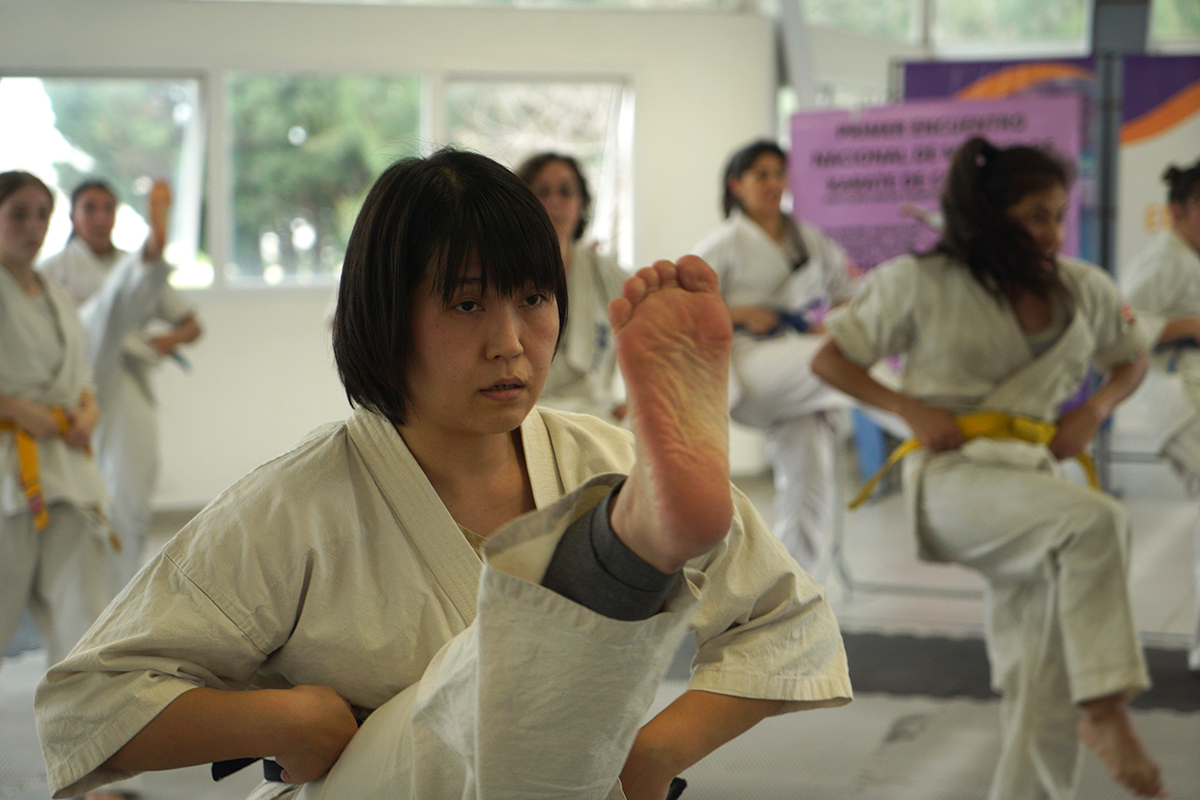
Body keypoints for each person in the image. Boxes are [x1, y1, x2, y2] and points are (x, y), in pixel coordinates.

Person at [36, 149, 852, 800]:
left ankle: (629, 549)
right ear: (386, 317)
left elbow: (792, 624)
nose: (512, 341)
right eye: (467, 305)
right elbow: (86, 706)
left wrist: (650, 753)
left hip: (570, 789)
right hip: (378, 789)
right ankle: (622, 553)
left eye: (534, 298)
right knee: (461, 716)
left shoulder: (600, 458)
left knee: (540, 745)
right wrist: (288, 719)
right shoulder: (297, 503)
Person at [811, 136, 1166, 799]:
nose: (1053, 231)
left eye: (1059, 214)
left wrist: (1095, 412)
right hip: (955, 480)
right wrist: (906, 407)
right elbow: (831, 359)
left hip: (1036, 478)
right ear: (989, 214)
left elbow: (1133, 356)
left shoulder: (1084, 288)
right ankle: (1108, 708)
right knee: (1094, 524)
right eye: (1036, 214)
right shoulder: (919, 283)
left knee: (1043, 664)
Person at [0, 171, 169, 671]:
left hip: (68, 474)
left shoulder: (53, 296)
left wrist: (88, 409)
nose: (33, 226)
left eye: (41, 215)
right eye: (18, 214)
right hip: (10, 473)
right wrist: (14, 409)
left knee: (83, 620)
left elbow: (82, 376)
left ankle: (82, 728)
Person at [692, 139, 860, 573]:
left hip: (797, 366)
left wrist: (836, 320)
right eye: (760, 174)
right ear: (737, 184)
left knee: (810, 475)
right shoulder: (725, 242)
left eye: (778, 173)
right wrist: (740, 312)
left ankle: (794, 581)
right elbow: (683, 308)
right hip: (748, 364)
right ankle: (929, 418)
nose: (773, 183)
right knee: (851, 363)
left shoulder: (807, 237)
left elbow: (850, 291)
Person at [39, 178, 202, 590]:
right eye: (89, 208)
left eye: (108, 208)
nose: (99, 217)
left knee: (130, 498)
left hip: (126, 378)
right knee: (101, 314)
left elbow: (191, 325)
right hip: (76, 380)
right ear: (73, 217)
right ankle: (83, 595)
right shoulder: (52, 271)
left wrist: (165, 341)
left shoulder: (133, 269)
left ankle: (125, 597)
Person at [1121, 156, 1200, 674]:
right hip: (1175, 397)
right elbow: (1124, 324)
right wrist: (1191, 324)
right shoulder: (1163, 257)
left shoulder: (1190, 257)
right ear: (1177, 211)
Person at [516, 151, 629, 422]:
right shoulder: (502, 270)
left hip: (599, 412)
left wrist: (638, 398)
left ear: (582, 204)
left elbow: (655, 338)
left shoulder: (606, 272)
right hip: (528, 413)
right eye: (543, 191)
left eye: (566, 192)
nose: (554, 202)